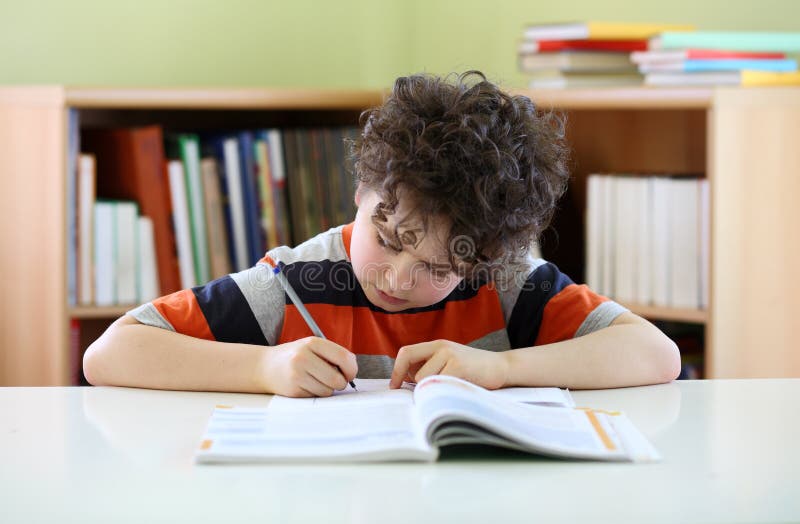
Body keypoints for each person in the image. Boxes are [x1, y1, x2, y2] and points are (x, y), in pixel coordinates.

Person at [83, 71, 680, 397]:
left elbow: (657, 355)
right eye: (390, 238)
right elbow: (108, 355)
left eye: (439, 268)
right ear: (362, 192)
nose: (396, 277)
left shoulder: (506, 283)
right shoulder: (296, 282)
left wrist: (501, 369)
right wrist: (261, 370)